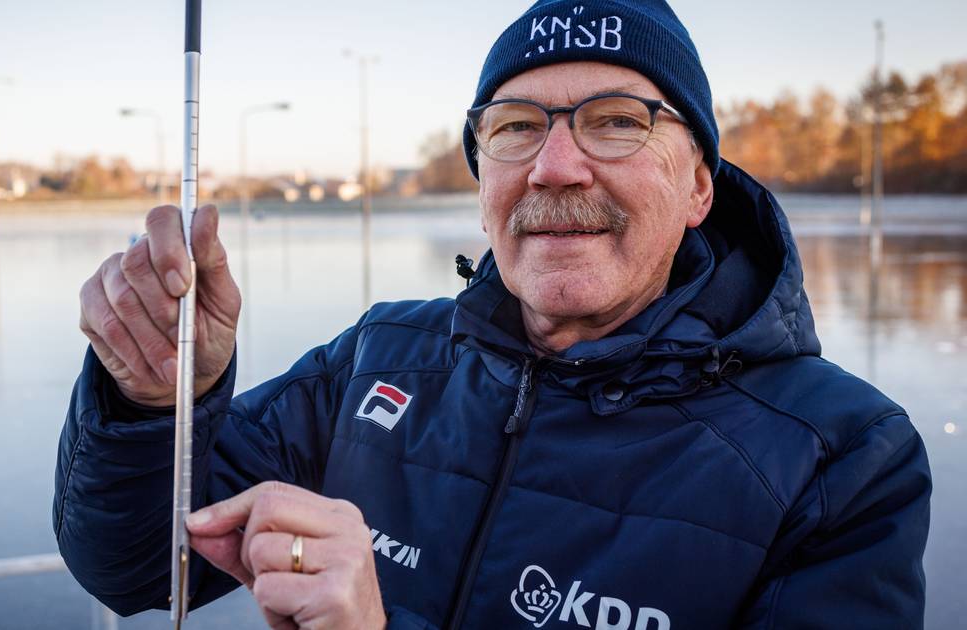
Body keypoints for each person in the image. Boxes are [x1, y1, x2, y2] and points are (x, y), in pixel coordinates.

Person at [54, 0, 932, 628]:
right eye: (514, 126)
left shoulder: (843, 459)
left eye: (617, 121)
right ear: (483, 183)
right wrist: (154, 401)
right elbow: (136, 569)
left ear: (698, 185)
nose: (554, 166)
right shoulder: (379, 356)